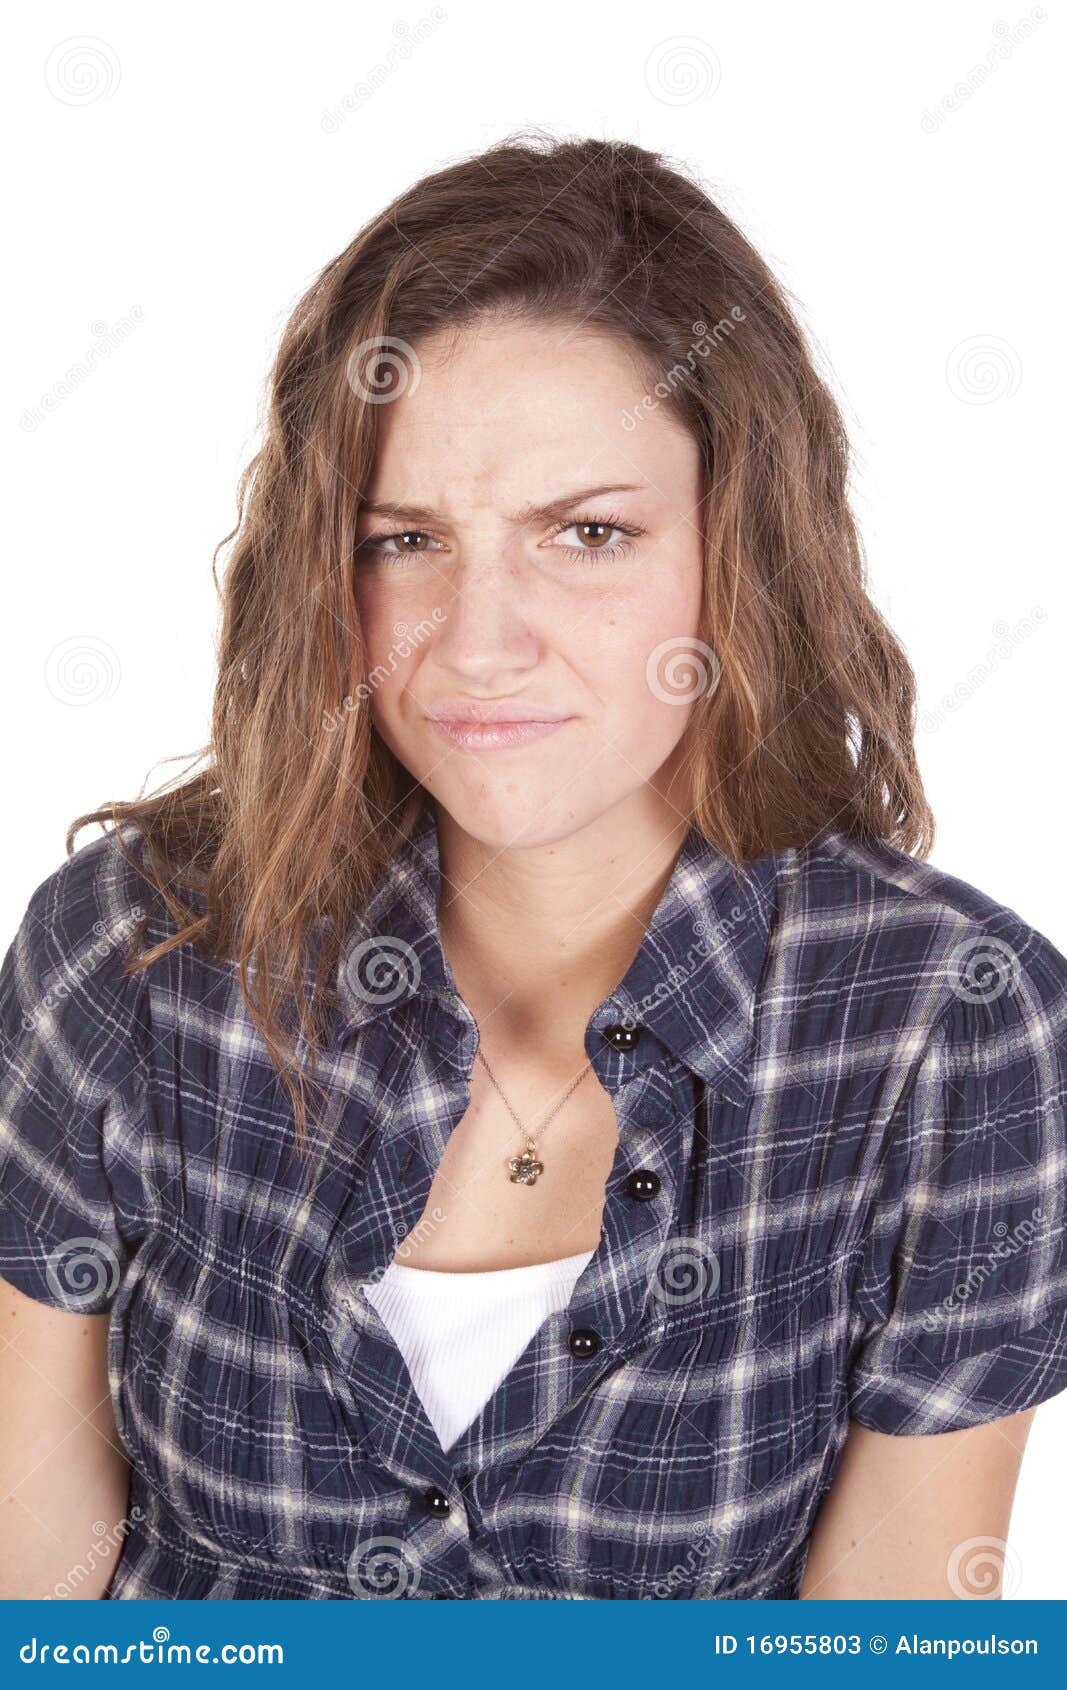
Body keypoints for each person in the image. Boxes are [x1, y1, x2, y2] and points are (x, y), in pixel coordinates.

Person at [2, 132, 1065, 1602]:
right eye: (406, 540)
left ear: (737, 551)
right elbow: (30, 1596)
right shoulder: (128, 957)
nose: (479, 639)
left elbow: (883, 1646)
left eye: (587, 533)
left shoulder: (949, 1023)